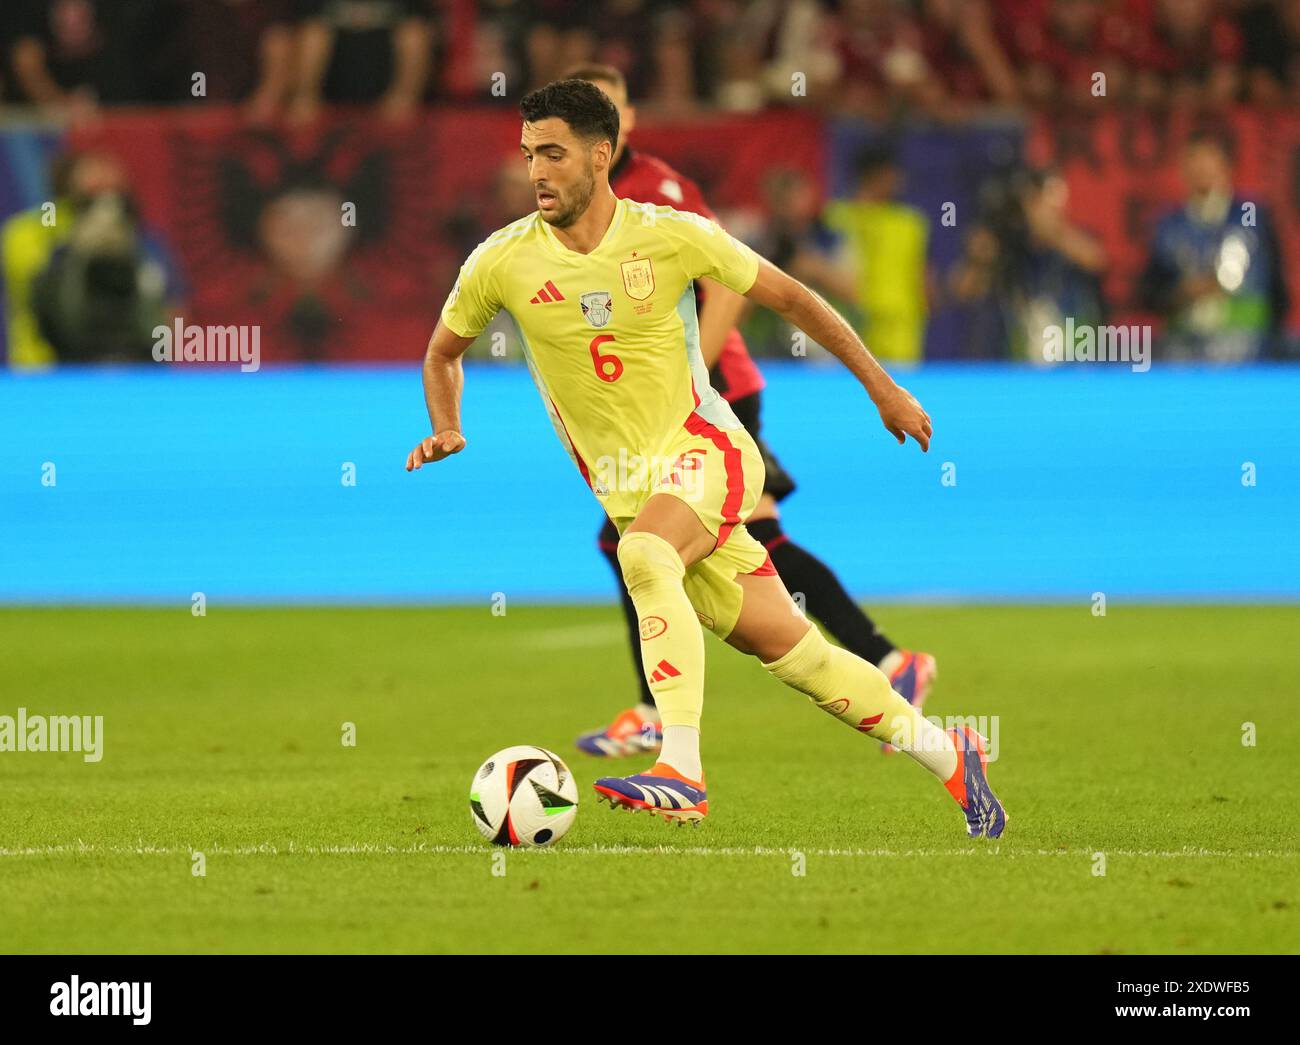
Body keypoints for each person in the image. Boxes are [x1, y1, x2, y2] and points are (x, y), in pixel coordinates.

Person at [405, 79, 1006, 838]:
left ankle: (680, 768)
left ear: (602, 152)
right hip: (631, 489)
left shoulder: (669, 233)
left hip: (710, 449)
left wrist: (881, 387)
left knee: (646, 551)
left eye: (553, 153)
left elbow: (793, 298)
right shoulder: (503, 261)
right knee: (799, 655)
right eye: (528, 155)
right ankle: (951, 754)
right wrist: (448, 423)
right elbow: (442, 351)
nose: (536, 173)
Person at [564, 64, 937, 760]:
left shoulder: (659, 190)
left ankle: (656, 711)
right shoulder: (583, 203)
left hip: (714, 388)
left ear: (629, 119)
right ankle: (889, 662)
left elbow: (730, 283)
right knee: (747, 538)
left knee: (632, 541)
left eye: (609, 108)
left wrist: (693, 377)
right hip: (669, 397)